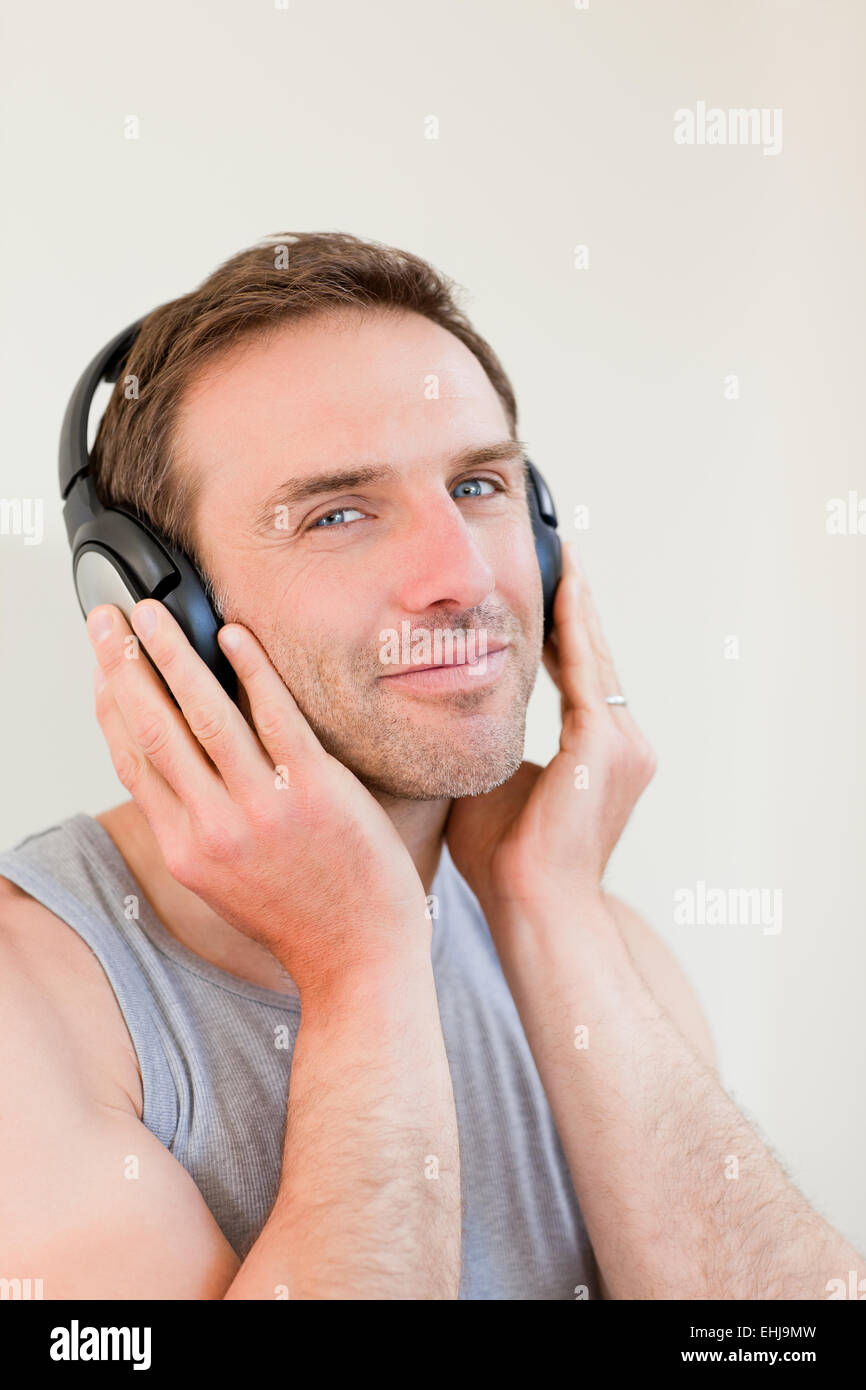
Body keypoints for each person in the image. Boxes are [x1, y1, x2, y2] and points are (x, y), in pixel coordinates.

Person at [0, 232, 861, 1300]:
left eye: (478, 485)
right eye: (338, 513)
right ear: (149, 604)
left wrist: (549, 908)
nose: (460, 575)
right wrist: (362, 967)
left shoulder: (599, 947)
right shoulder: (29, 1008)